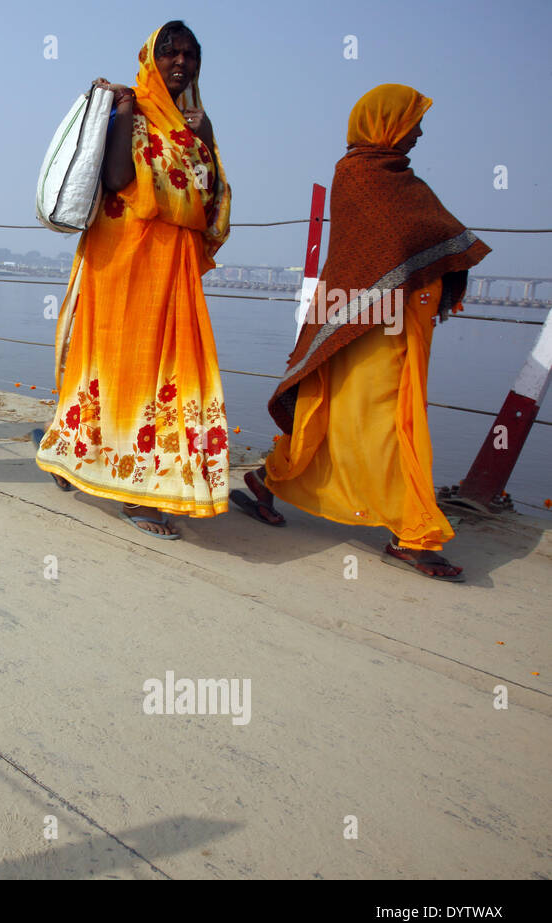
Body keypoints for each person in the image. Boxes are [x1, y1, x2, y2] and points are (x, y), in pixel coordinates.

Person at [241, 84, 490, 582]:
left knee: (353, 419)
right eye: (413, 122)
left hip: (400, 325)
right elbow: (388, 244)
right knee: (379, 424)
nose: (419, 133)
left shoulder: (400, 177)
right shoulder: (356, 173)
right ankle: (413, 532)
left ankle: (268, 480)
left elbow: (430, 237)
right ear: (386, 123)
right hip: (369, 326)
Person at [34, 21, 231, 535]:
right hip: (123, 260)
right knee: (121, 368)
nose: (181, 63)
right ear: (151, 59)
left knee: (171, 371)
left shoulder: (198, 125)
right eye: (170, 53)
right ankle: (136, 492)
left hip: (175, 262)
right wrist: (123, 113)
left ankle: (73, 458)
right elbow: (119, 178)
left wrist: (198, 145)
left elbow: (211, 196)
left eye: (190, 55)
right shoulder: (132, 110)